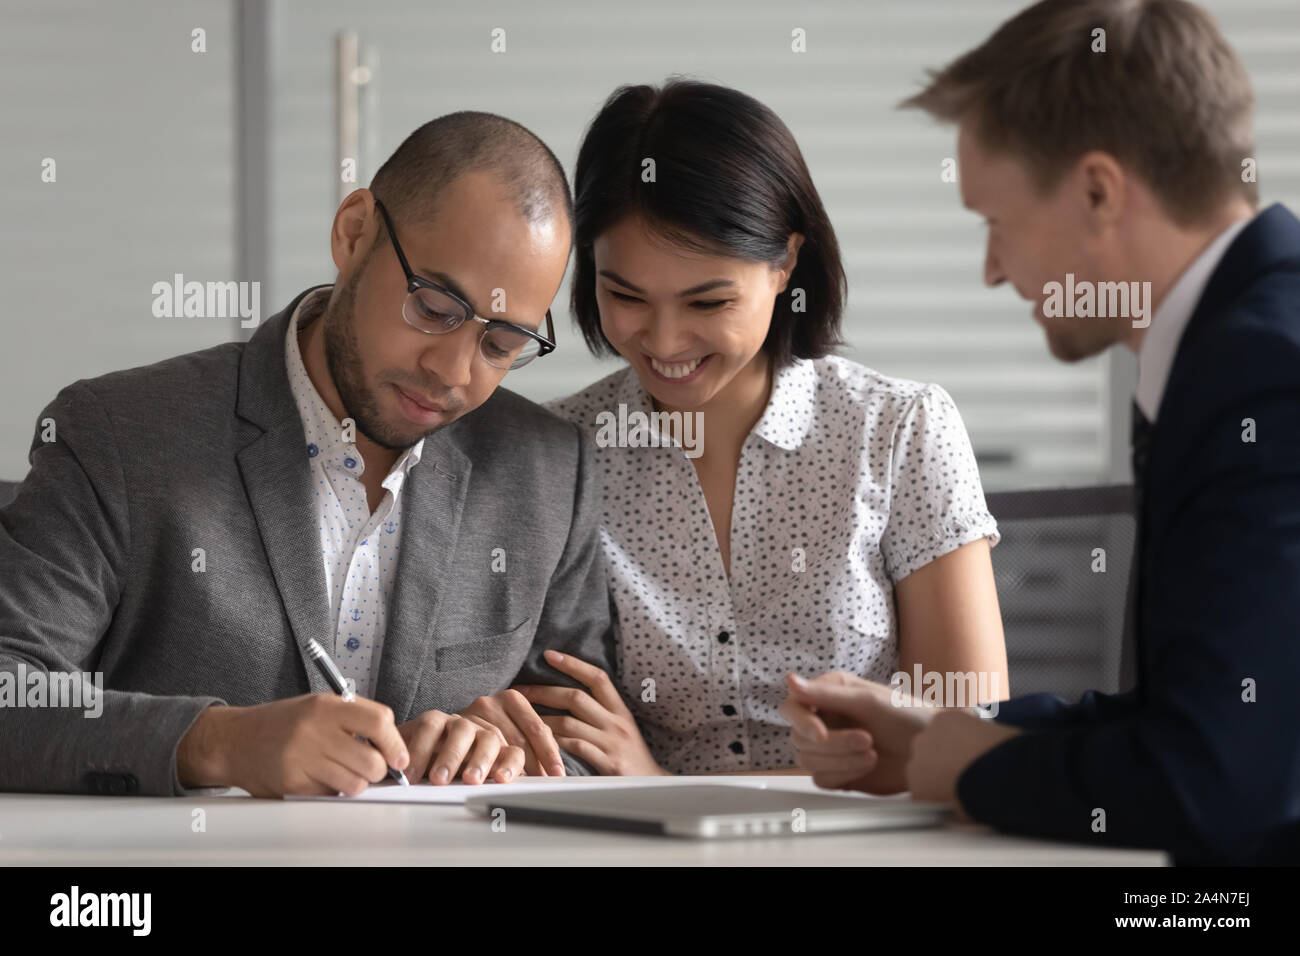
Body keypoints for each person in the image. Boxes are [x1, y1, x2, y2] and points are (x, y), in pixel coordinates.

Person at [782, 0, 1300, 865]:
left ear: (1098, 191)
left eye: (997, 222)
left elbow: (1216, 785)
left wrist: (976, 769)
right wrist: (957, 732)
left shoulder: (1263, 374)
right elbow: (1206, 712)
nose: (992, 271)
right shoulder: (1234, 344)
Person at [0, 112, 615, 797]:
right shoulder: (120, 434)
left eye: (501, 343)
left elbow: (586, 742)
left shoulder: (551, 474)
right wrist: (216, 743)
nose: (453, 371)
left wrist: (503, 753)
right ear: (354, 233)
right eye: (436, 307)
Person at [525, 79, 1008, 776]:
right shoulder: (555, 453)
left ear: (785, 264)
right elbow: (551, 729)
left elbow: (969, 742)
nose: (663, 340)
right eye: (624, 294)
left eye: (708, 300)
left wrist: (666, 788)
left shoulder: (902, 431)